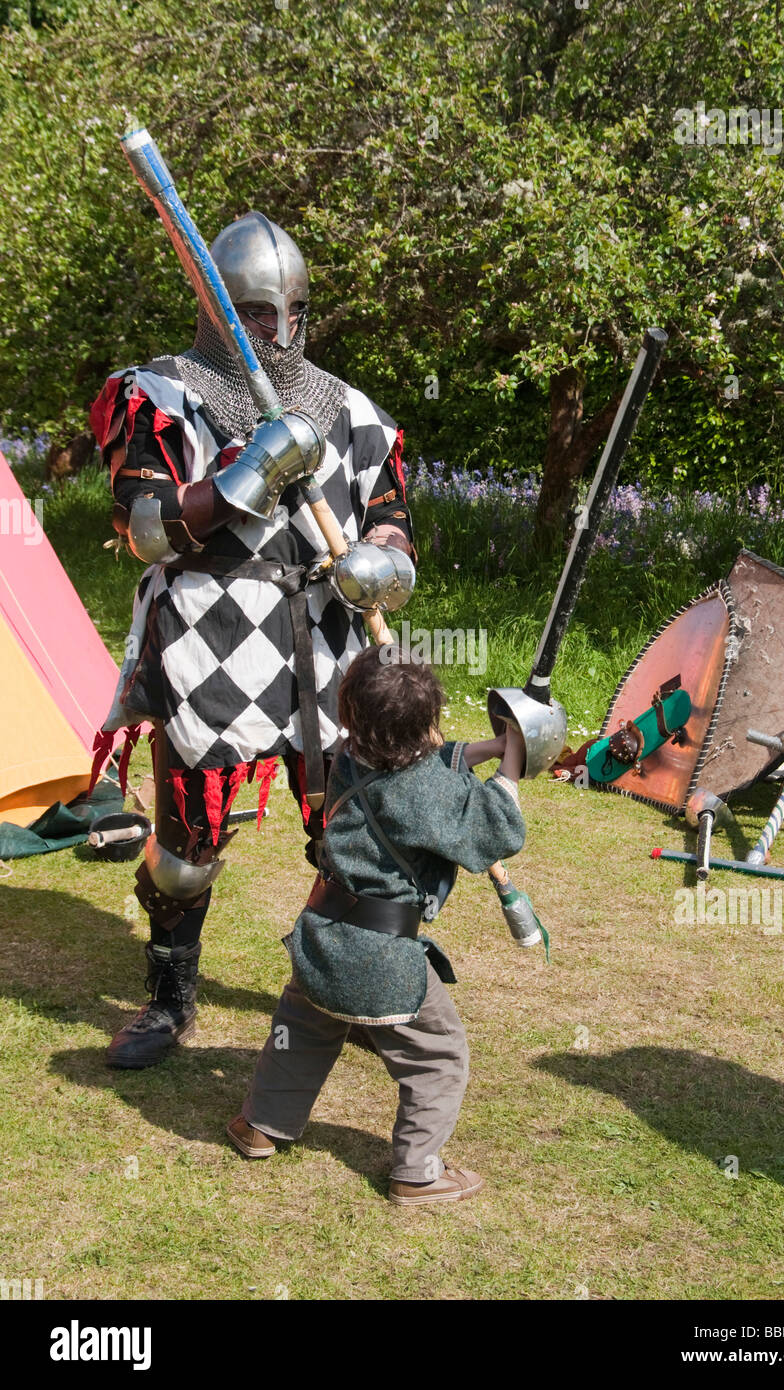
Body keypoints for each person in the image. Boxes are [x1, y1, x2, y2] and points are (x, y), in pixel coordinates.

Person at [89, 212, 416, 1070]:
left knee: (352, 832)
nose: (274, 330)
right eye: (255, 313)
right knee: (189, 849)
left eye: (288, 312)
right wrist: (249, 473)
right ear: (216, 306)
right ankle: (167, 999)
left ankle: (343, 987)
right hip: (210, 637)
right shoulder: (160, 393)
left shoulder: (352, 411)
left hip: (330, 641)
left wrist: (382, 569)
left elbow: (391, 524)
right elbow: (146, 527)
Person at [226, 647, 526, 1206]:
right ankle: (417, 1173)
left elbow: (432, 765)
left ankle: (260, 1126)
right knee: (438, 1053)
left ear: (350, 713)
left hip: (320, 939)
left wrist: (490, 746)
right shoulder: (421, 789)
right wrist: (514, 762)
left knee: (301, 1035)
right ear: (425, 723)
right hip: (381, 957)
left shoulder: (348, 755)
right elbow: (495, 828)